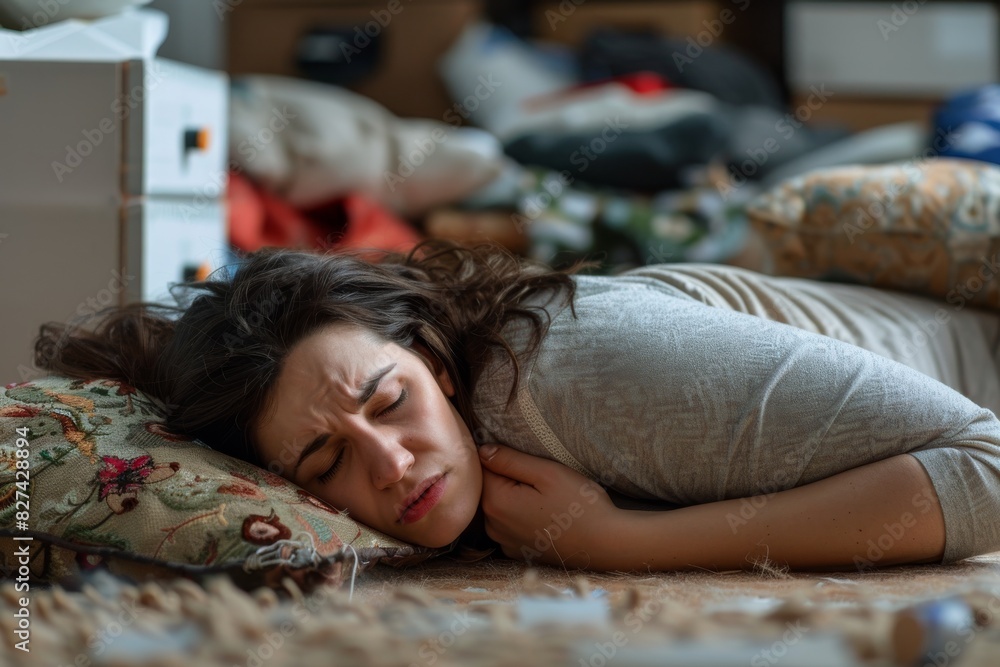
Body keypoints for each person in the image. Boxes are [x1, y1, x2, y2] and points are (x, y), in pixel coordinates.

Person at [34, 238, 1000, 573]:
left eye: (391, 401)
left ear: (438, 363)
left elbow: (986, 471)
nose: (394, 464)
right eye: (326, 467)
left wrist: (627, 544)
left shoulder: (584, 375)